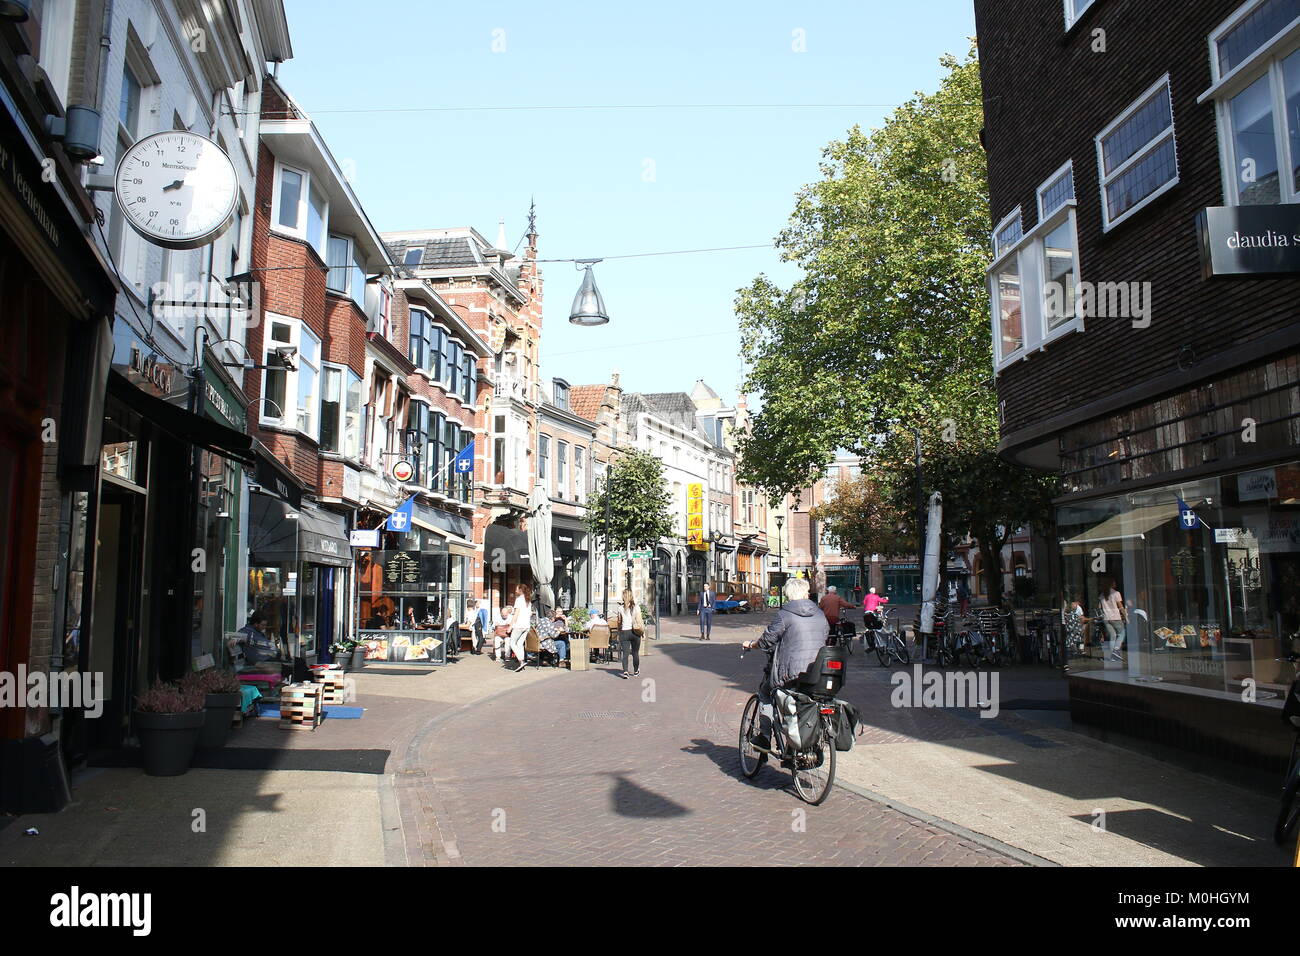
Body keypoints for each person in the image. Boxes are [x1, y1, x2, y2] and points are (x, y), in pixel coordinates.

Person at [741, 577, 828, 751]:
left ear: (788, 595)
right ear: (806, 593)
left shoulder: (784, 615)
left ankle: (764, 737)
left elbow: (767, 640)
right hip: (817, 671)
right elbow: (825, 634)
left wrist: (751, 644)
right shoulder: (819, 613)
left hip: (791, 672)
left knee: (765, 692)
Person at [609, 588, 644, 679]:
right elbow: (640, 621)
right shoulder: (636, 607)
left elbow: (619, 622)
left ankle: (625, 672)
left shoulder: (620, 608)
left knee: (625, 653)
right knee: (635, 653)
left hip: (624, 632)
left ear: (623, 597)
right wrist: (642, 631)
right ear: (631, 596)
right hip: (635, 632)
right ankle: (636, 671)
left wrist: (619, 631)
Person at [1098, 578, 1127, 662]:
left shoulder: (1102, 594)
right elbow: (1120, 606)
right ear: (1111, 584)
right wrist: (1125, 616)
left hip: (1106, 618)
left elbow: (1099, 607)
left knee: (1112, 636)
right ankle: (1116, 650)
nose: (1115, 584)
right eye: (1114, 582)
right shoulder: (1116, 593)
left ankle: (1112, 657)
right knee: (1122, 634)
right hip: (1115, 617)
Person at [507, 583, 533, 672]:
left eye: (517, 589)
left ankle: (521, 660)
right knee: (520, 644)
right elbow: (530, 614)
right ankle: (522, 662)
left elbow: (516, 614)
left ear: (520, 590)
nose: (515, 591)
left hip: (519, 625)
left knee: (512, 643)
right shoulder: (528, 600)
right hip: (526, 625)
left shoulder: (519, 600)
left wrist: (510, 626)